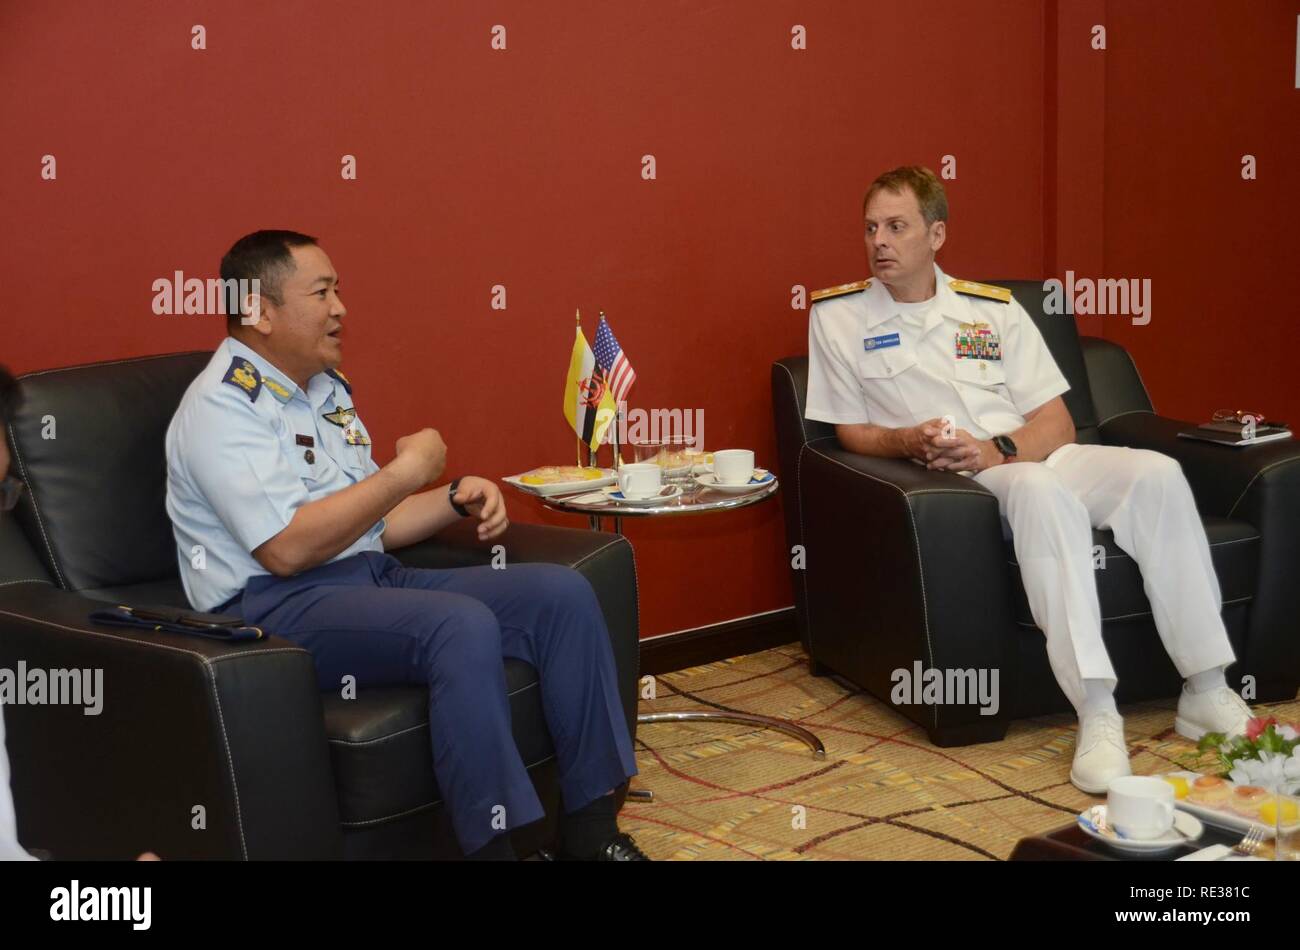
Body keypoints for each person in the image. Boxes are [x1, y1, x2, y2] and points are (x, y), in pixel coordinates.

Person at [165, 231, 644, 859]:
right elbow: (285, 549)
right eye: (322, 292)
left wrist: (447, 498)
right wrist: (406, 473)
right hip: (269, 609)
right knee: (459, 626)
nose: (341, 308)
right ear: (259, 310)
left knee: (562, 595)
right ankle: (493, 851)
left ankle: (590, 830)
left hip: (366, 578)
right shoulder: (222, 406)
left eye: (338, 290)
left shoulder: (325, 390)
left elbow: (371, 524)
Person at [804, 166, 1253, 794]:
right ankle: (1096, 709)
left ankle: (1207, 687)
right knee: (1041, 493)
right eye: (871, 227)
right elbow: (848, 432)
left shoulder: (993, 309)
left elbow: (1057, 422)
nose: (879, 240)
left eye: (896, 226)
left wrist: (1000, 447)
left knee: (1158, 474)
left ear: (936, 234)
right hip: (957, 481)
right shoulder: (839, 317)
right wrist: (908, 441)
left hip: (1019, 453)